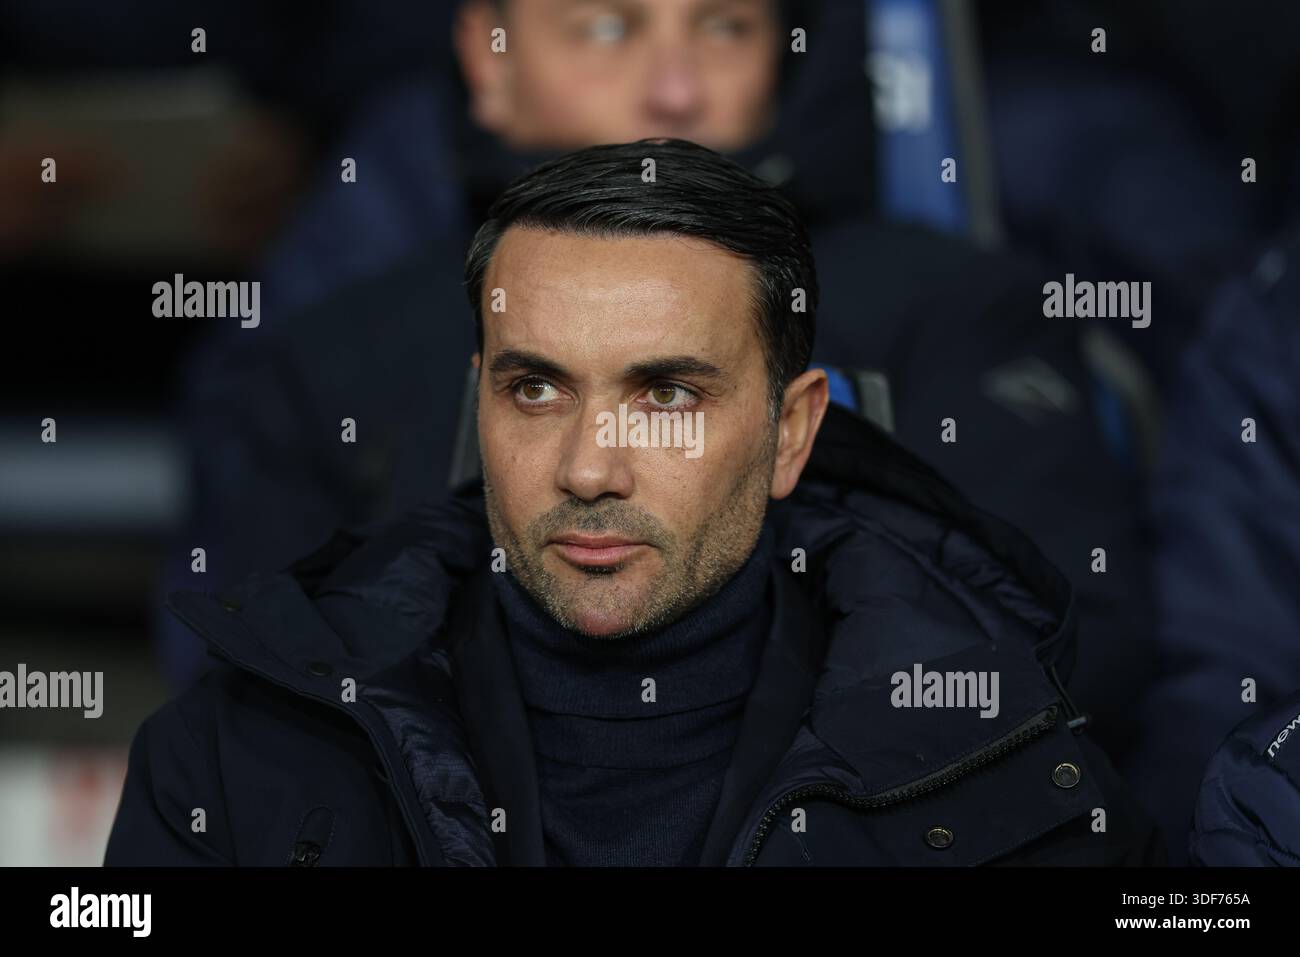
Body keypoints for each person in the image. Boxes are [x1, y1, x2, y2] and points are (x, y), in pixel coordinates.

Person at [163, 0, 1157, 843]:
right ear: (489, 59)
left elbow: (1066, 666)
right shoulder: (329, 355)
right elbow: (250, 710)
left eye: (724, 28)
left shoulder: (952, 310)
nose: (675, 90)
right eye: (606, 28)